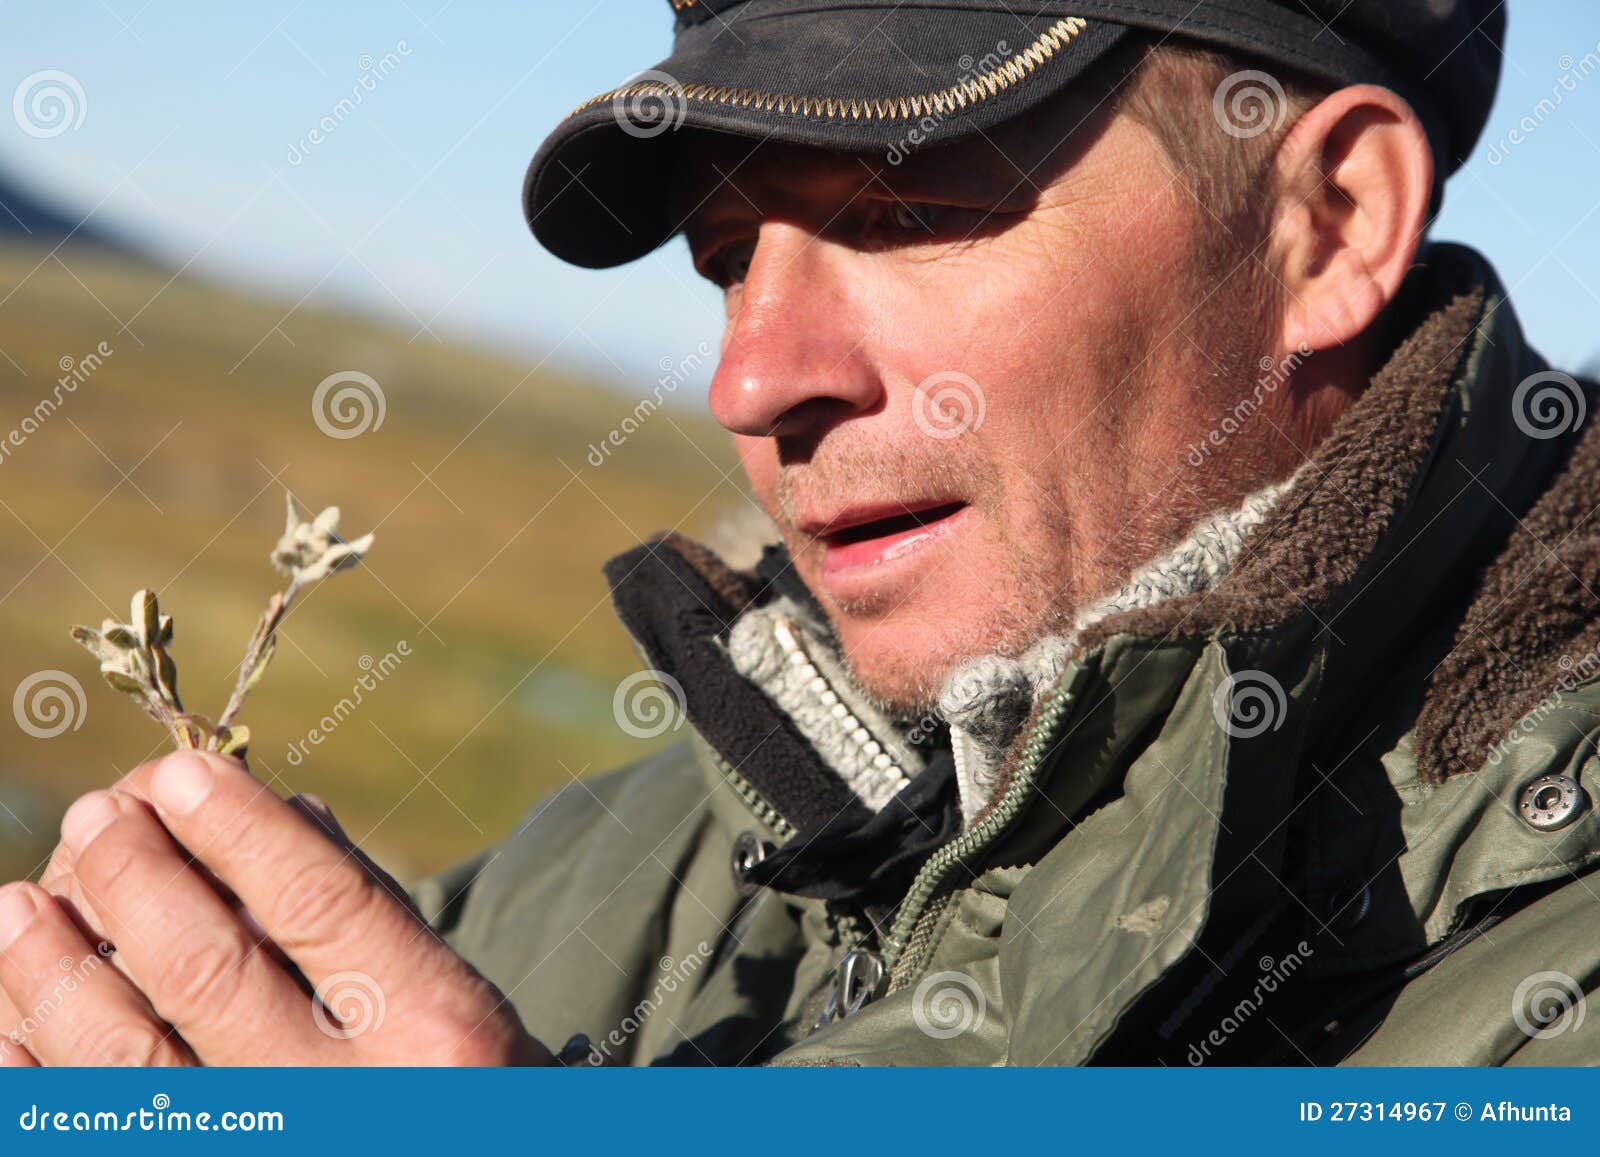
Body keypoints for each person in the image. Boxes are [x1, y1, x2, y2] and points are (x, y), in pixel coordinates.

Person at [3, 0, 1597, 1067]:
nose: (750, 376)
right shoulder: (616, 874)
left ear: (1328, 226)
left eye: (905, 217)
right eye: (720, 256)